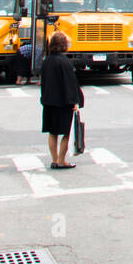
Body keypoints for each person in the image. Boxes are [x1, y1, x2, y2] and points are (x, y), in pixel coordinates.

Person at [40, 31, 83, 169]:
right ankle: (61, 160)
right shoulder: (65, 61)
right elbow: (70, 83)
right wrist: (75, 101)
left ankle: (54, 160)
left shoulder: (47, 61)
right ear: (64, 45)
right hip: (63, 103)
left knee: (52, 132)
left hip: (48, 101)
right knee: (66, 132)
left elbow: (43, 82)